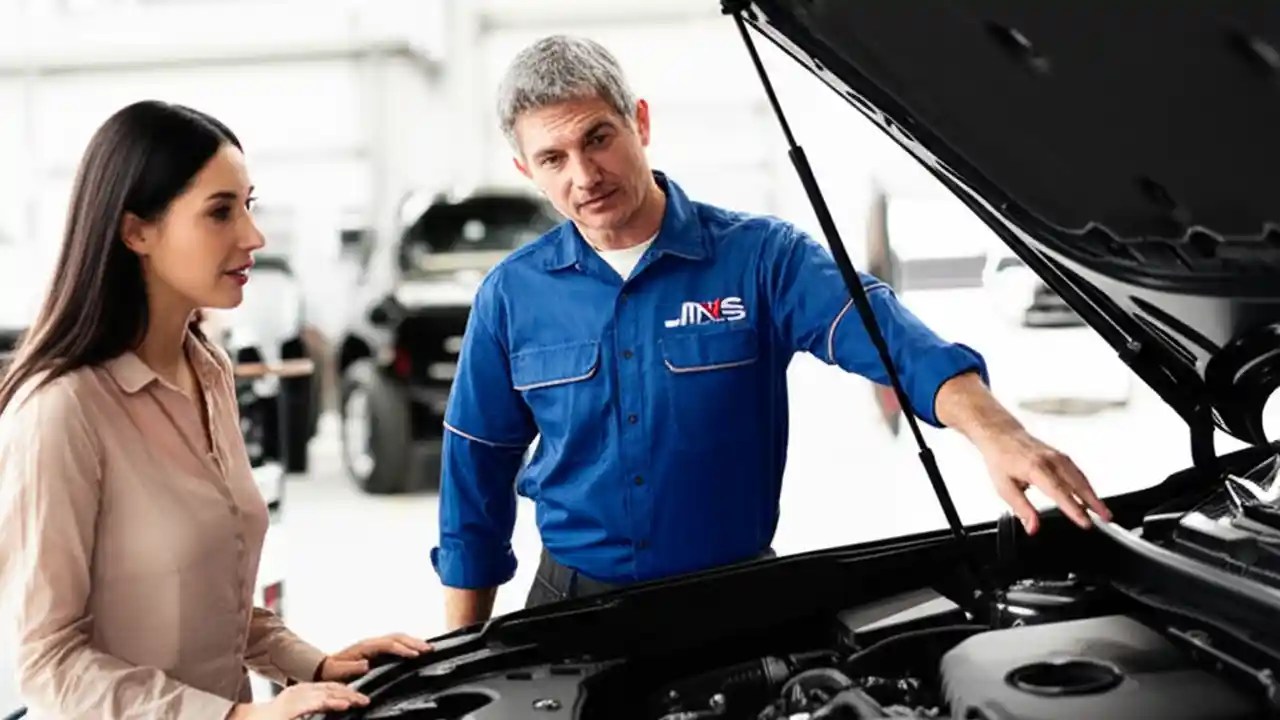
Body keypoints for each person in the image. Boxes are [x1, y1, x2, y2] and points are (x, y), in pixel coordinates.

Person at [431, 35, 1113, 630]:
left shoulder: (761, 258)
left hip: (738, 602)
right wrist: (459, 649)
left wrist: (996, 432)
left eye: (598, 138)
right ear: (525, 168)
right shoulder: (510, 297)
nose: (584, 177)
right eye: (552, 158)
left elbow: (887, 335)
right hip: (569, 605)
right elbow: (475, 481)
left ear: (639, 122)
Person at [0, 100, 431, 720]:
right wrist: (235, 716)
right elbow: (48, 664)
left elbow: (212, 596)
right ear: (136, 231)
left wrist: (313, 663)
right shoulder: (62, 411)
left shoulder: (209, 371)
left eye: (248, 205)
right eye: (219, 212)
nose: (253, 236)